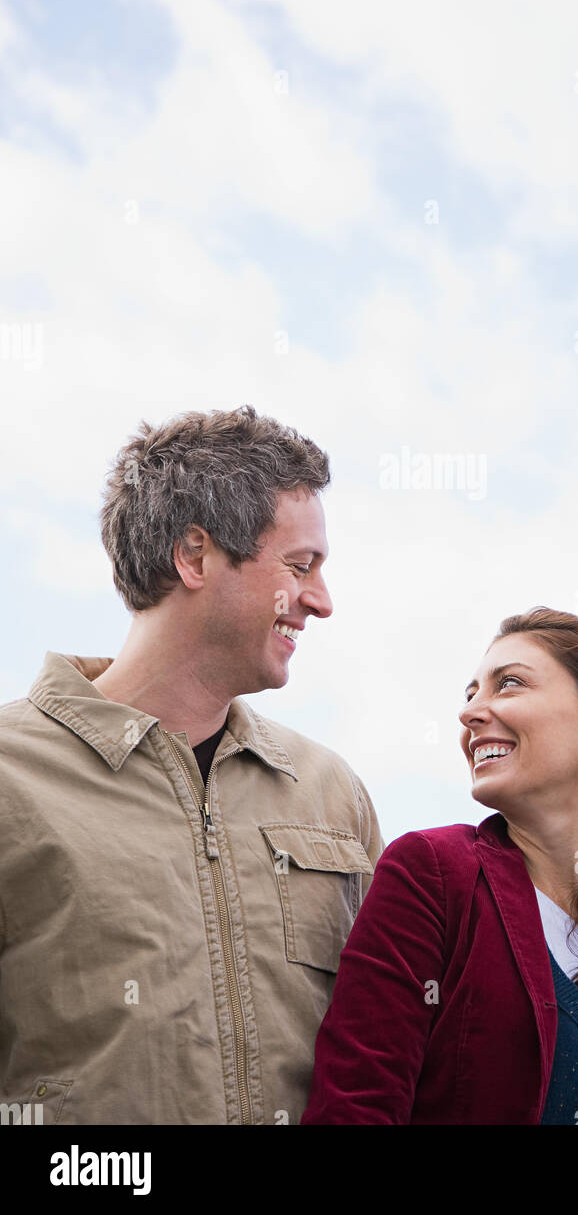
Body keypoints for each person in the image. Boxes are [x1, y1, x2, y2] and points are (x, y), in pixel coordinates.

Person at [0, 405, 383, 1125]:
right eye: (299, 567)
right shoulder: (10, 774)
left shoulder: (334, 795)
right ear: (195, 557)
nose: (322, 602)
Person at [302, 607, 578, 1125]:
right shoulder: (430, 875)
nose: (471, 712)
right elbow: (356, 1106)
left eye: (510, 684)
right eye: (471, 693)